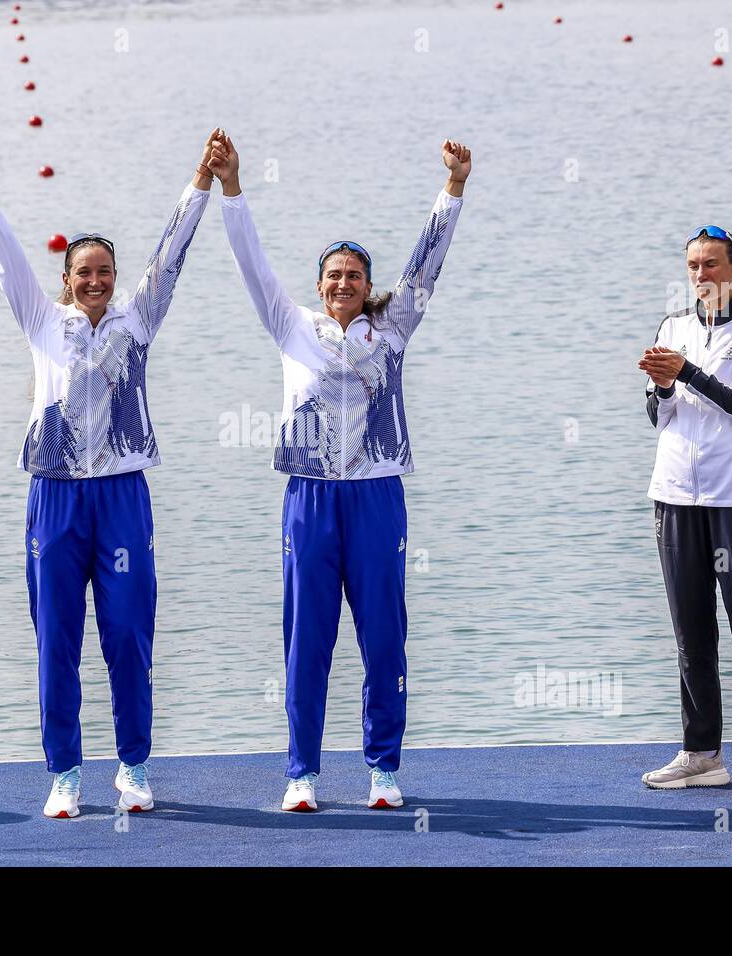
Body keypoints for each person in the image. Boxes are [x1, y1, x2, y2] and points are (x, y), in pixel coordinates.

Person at [0, 124, 216, 819]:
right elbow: (5, 252)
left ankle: (133, 766)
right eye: (83, 273)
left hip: (122, 496)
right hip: (56, 498)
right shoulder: (43, 322)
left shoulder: (137, 320)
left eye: (105, 272)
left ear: (115, 279)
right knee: (57, 640)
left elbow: (172, 254)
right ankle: (65, 772)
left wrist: (202, 180)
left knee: (127, 634)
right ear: (66, 280)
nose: (95, 281)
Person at [206, 130, 469, 811]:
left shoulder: (394, 327)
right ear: (319, 286)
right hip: (311, 498)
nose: (343, 284)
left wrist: (454, 187)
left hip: (377, 497)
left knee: (384, 637)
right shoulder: (291, 326)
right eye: (333, 276)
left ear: (368, 286)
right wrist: (231, 187)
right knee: (307, 640)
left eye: (354, 275)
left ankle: (383, 769)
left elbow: (428, 262)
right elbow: (250, 262)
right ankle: (302, 774)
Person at [637, 227, 732, 799]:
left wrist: (688, 374)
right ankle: (702, 753)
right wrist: (662, 388)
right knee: (691, 633)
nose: (701, 275)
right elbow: (658, 415)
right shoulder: (672, 327)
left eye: (712, 265)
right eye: (694, 266)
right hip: (675, 495)